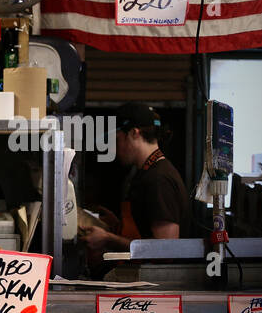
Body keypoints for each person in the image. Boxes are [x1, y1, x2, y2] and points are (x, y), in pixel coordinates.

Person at [79, 102, 187, 259]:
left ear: (135, 133)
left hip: (158, 281)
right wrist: (118, 226)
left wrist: (109, 239)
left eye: (117, 139)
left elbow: (166, 249)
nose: (115, 148)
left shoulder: (159, 179)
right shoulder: (146, 172)